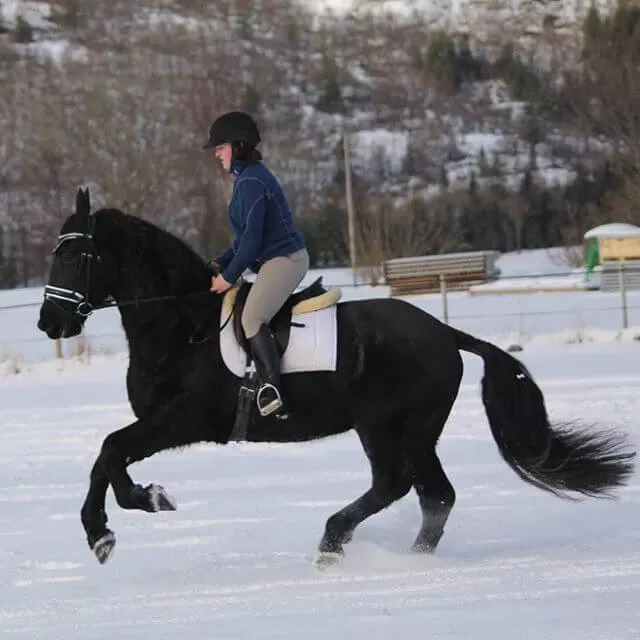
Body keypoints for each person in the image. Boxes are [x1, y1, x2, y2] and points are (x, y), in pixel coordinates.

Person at [203, 111, 309, 419]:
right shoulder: (247, 178)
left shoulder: (250, 181)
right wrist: (219, 262)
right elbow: (244, 238)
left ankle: (272, 389)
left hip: (286, 259)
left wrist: (228, 277)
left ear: (237, 146)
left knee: (251, 318)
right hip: (274, 259)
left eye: (220, 148)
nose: (216, 154)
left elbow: (251, 243)